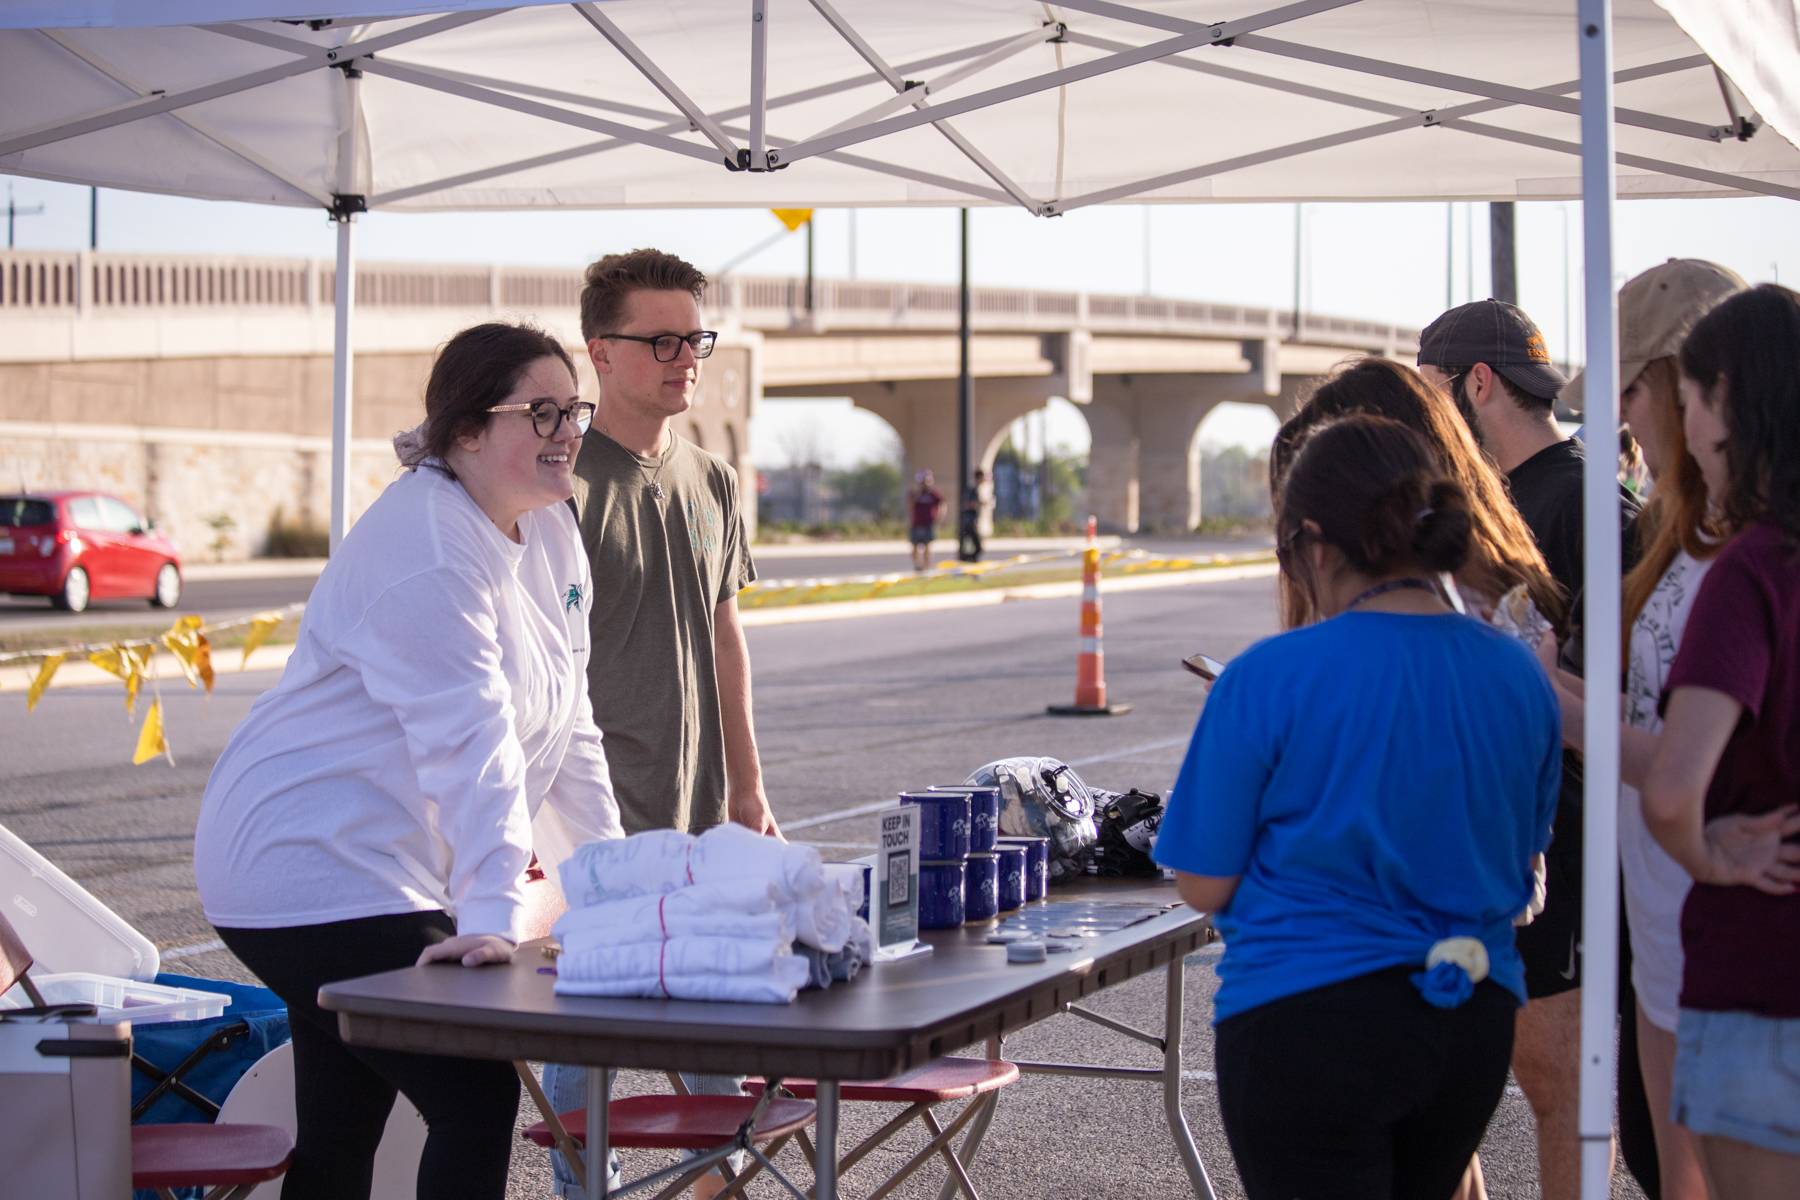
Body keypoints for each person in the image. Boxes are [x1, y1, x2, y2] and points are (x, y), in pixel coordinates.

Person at [193, 322, 623, 1200]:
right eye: (540, 412)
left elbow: (570, 723)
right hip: (305, 860)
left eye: (572, 408)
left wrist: (617, 883)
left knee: (344, 1118)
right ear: (466, 430)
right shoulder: (427, 545)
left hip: (380, 868)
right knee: (472, 1085)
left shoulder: (549, 529)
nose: (568, 430)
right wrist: (494, 916)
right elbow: (474, 741)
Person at [1155, 413, 1561, 1200]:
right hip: (1466, 1014)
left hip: (1305, 1016)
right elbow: (1522, 853)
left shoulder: (1269, 675)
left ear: (1313, 542)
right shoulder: (1516, 676)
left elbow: (1202, 882)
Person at [550, 248, 775, 1200]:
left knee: (718, 1061)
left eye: (696, 337)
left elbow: (728, 643)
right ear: (601, 352)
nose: (686, 356)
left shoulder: (714, 479)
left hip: (701, 817)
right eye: (663, 339)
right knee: (583, 1061)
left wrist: (750, 788)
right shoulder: (561, 483)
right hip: (593, 826)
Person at [1419, 298, 1642, 1200]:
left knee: (1557, 1083)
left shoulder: (1589, 500)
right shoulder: (1478, 500)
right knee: (1440, 1085)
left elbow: (1626, 697)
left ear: (1477, 385)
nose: (1426, 417)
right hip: (1464, 832)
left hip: (1565, 836)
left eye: (1432, 392)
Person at [1549, 258, 1747, 1200]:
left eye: (1629, 389)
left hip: (1731, 939)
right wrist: (1548, 683)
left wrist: (1554, 705)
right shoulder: (1674, 539)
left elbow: (1678, 768)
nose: (1618, 417)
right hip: (1666, 925)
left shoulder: (1751, 558)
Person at [1644, 283, 1800, 1198]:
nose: (1688, 431)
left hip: (1763, 977)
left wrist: (1704, 850)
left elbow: (1672, 790)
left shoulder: (1754, 569)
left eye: (1691, 400)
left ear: (1728, 400)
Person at [908, 468, 944, 571]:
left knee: (928, 546)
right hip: (917, 523)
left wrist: (940, 517)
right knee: (914, 546)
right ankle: (917, 565)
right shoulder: (915, 493)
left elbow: (942, 503)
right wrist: (918, 493)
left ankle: (926, 566)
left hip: (929, 523)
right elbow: (910, 505)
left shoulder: (933, 494)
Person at [958, 466, 990, 562]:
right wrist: (981, 503)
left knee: (973, 546)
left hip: (971, 521)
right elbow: (967, 504)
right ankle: (968, 563)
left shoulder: (974, 489)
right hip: (969, 522)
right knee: (975, 546)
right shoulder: (972, 489)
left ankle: (971, 562)